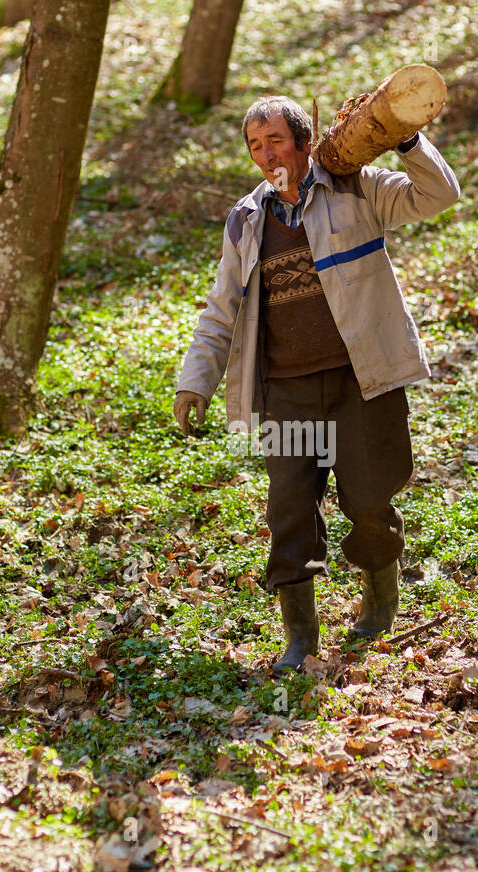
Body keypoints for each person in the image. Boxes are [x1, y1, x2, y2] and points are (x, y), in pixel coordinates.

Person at [174, 95, 460, 675]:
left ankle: (380, 604)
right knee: (290, 511)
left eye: (275, 140)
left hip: (364, 381)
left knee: (372, 503)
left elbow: (439, 195)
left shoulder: (356, 188)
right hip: (288, 392)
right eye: (255, 145)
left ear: (304, 142)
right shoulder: (246, 221)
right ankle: (301, 636)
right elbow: (220, 311)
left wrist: (405, 140)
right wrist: (194, 383)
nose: (265, 154)